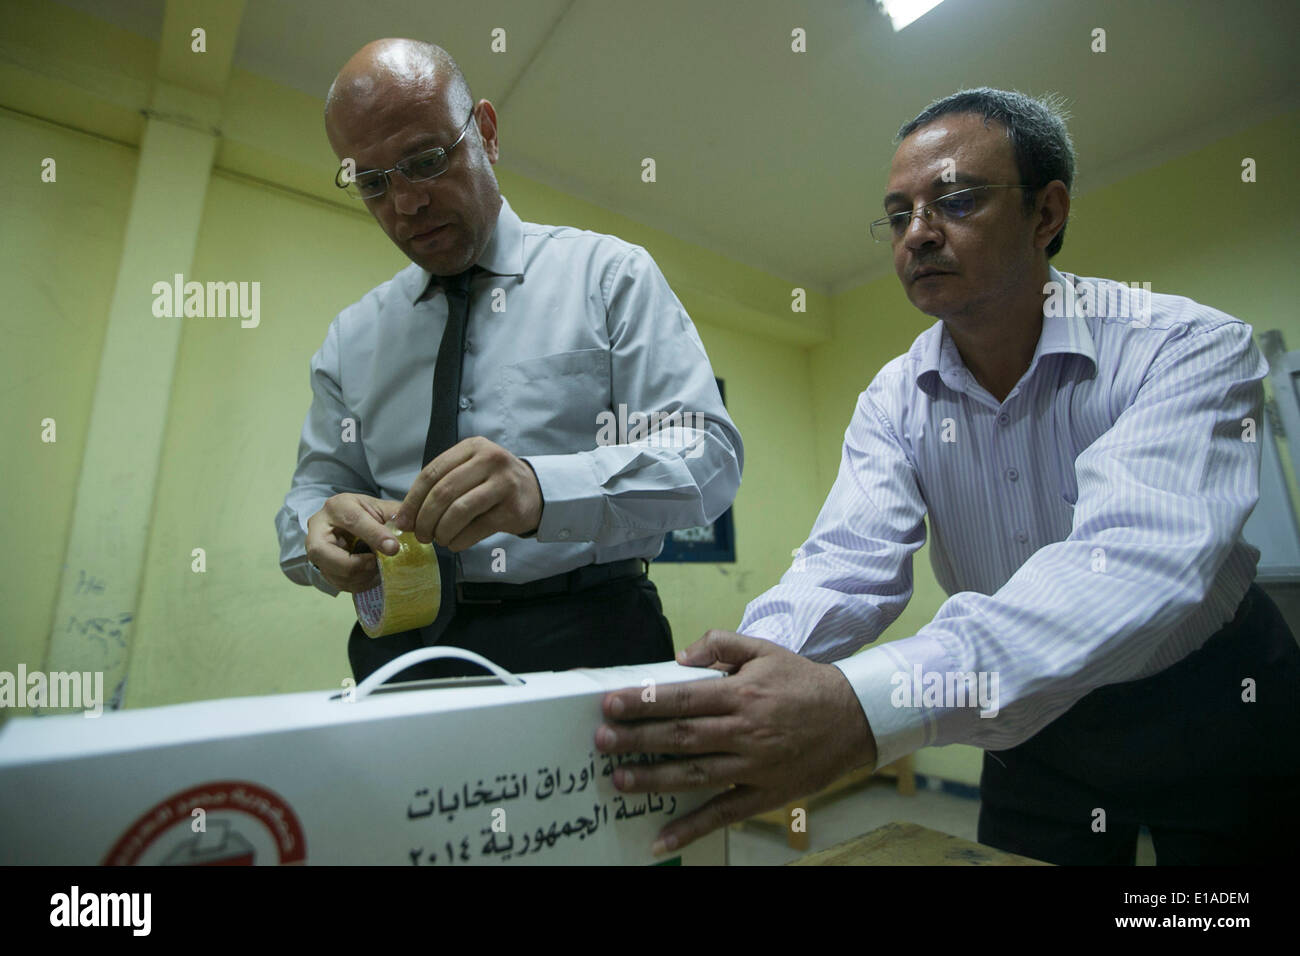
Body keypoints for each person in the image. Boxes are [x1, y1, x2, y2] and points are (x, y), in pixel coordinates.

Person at [594, 88, 1300, 865]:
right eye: (898, 217)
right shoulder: (893, 398)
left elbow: (1133, 560)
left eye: (955, 201)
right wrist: (732, 678)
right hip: (1030, 725)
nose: (918, 234)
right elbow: (846, 565)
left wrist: (865, 707)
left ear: (1047, 213)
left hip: (1212, 695)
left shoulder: (1185, 345)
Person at [275, 39, 742, 683]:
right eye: (374, 183)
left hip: (590, 635)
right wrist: (312, 530)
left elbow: (708, 458)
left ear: (486, 134)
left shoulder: (609, 277)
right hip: (398, 650)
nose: (406, 204)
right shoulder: (350, 340)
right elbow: (315, 490)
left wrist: (544, 489)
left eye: (426, 160)